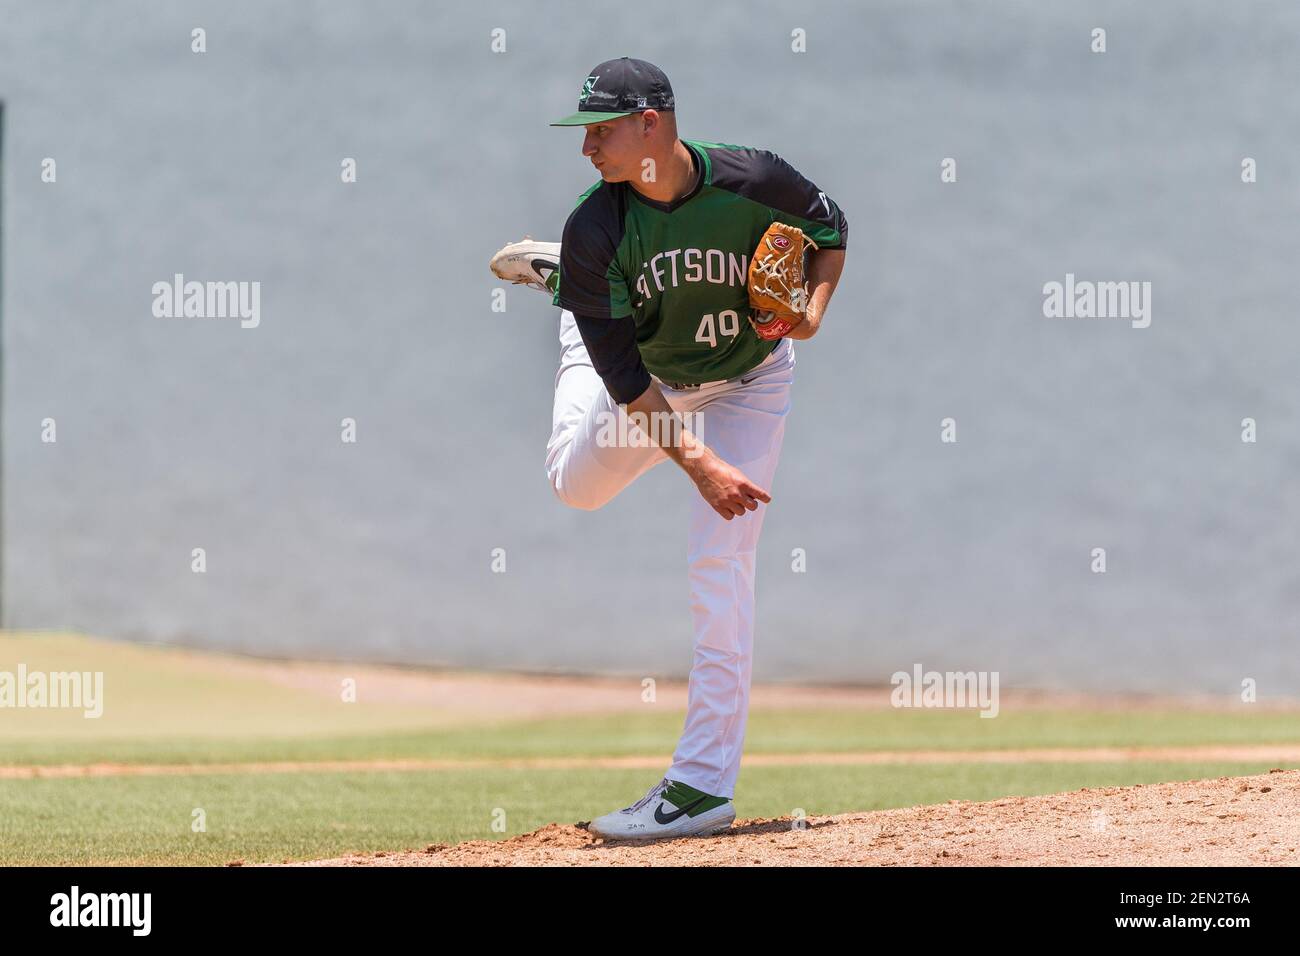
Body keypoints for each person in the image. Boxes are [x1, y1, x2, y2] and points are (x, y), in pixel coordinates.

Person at [493, 56, 847, 840]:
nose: (588, 146)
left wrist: (811, 314)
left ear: (651, 121)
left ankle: (700, 788)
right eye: (584, 131)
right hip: (643, 375)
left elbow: (832, 229)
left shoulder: (755, 180)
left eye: (601, 128)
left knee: (721, 563)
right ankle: (576, 297)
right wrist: (698, 461)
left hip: (748, 382)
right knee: (575, 486)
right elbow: (628, 384)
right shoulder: (599, 224)